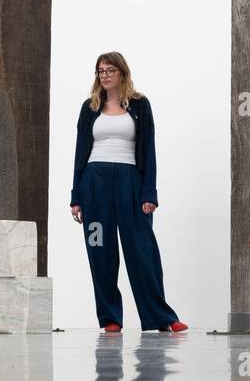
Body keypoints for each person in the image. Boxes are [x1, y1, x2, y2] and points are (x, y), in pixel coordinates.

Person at [70, 51, 187, 334]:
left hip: (130, 183)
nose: (105, 75)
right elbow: (80, 153)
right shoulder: (89, 108)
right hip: (94, 185)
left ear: (122, 73)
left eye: (110, 70)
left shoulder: (139, 105)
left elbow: (149, 149)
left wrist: (150, 193)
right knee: (100, 250)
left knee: (142, 250)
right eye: (100, 71)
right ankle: (110, 317)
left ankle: (162, 317)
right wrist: (76, 196)